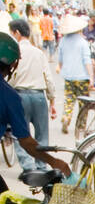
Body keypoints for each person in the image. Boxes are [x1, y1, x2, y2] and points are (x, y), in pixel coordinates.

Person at [0, 32, 69, 189]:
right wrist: (54, 161)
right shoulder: (9, 96)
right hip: (37, 98)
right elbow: (26, 142)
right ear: (13, 64)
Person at [8, 19, 55, 174]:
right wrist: (52, 99)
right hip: (39, 97)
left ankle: (28, 167)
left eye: (11, 33)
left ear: (17, 33)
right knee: (42, 134)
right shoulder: (38, 52)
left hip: (19, 96)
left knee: (20, 133)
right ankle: (41, 166)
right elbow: (48, 78)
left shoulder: (14, 52)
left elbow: (10, 77)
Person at [57, 12, 94, 136]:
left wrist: (61, 69)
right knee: (83, 103)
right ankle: (80, 126)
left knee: (69, 100)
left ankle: (66, 117)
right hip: (82, 77)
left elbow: (60, 60)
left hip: (68, 76)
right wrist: (92, 78)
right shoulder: (82, 42)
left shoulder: (63, 41)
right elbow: (87, 61)